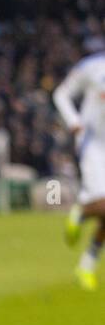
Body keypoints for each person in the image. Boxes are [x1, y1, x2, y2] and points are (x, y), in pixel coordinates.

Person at [53, 50, 105, 289]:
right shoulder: (92, 66)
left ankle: (86, 265)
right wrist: (74, 122)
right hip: (93, 143)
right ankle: (82, 212)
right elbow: (61, 94)